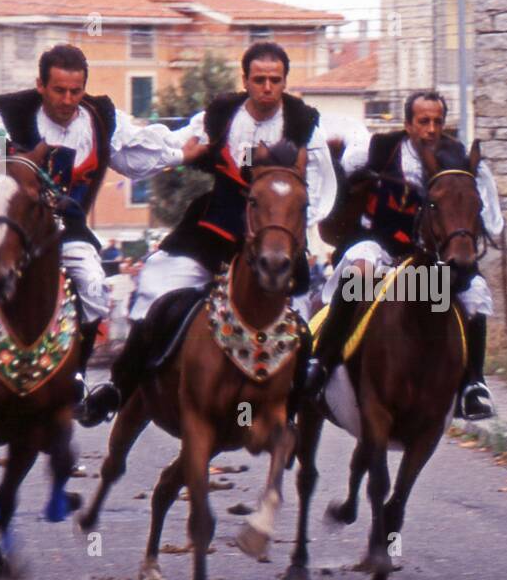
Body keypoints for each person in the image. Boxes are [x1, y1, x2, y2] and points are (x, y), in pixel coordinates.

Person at [0, 43, 189, 400]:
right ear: (41, 85)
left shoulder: (102, 120)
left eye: (76, 91)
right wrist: (11, 171)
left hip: (62, 227)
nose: (67, 99)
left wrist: (183, 152)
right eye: (58, 90)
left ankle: (75, 378)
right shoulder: (3, 115)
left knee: (93, 285)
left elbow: (139, 153)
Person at [77, 41, 336, 427]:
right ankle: (118, 387)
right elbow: (173, 145)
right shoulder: (219, 117)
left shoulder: (304, 125)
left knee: (296, 318)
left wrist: (287, 231)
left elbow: (319, 189)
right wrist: (179, 155)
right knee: (156, 286)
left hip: (274, 239)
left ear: (285, 82)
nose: (267, 87)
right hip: (213, 228)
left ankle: (297, 399)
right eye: (259, 79)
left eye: (275, 80)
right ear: (245, 80)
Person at [303, 90, 504, 420]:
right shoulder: (381, 148)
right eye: (423, 121)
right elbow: (339, 172)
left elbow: (481, 206)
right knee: (359, 275)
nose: (431, 129)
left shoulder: (455, 157)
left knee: (475, 295)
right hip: (380, 242)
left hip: (433, 255)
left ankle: (473, 385)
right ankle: (322, 364)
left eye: (437, 121)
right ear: (408, 124)